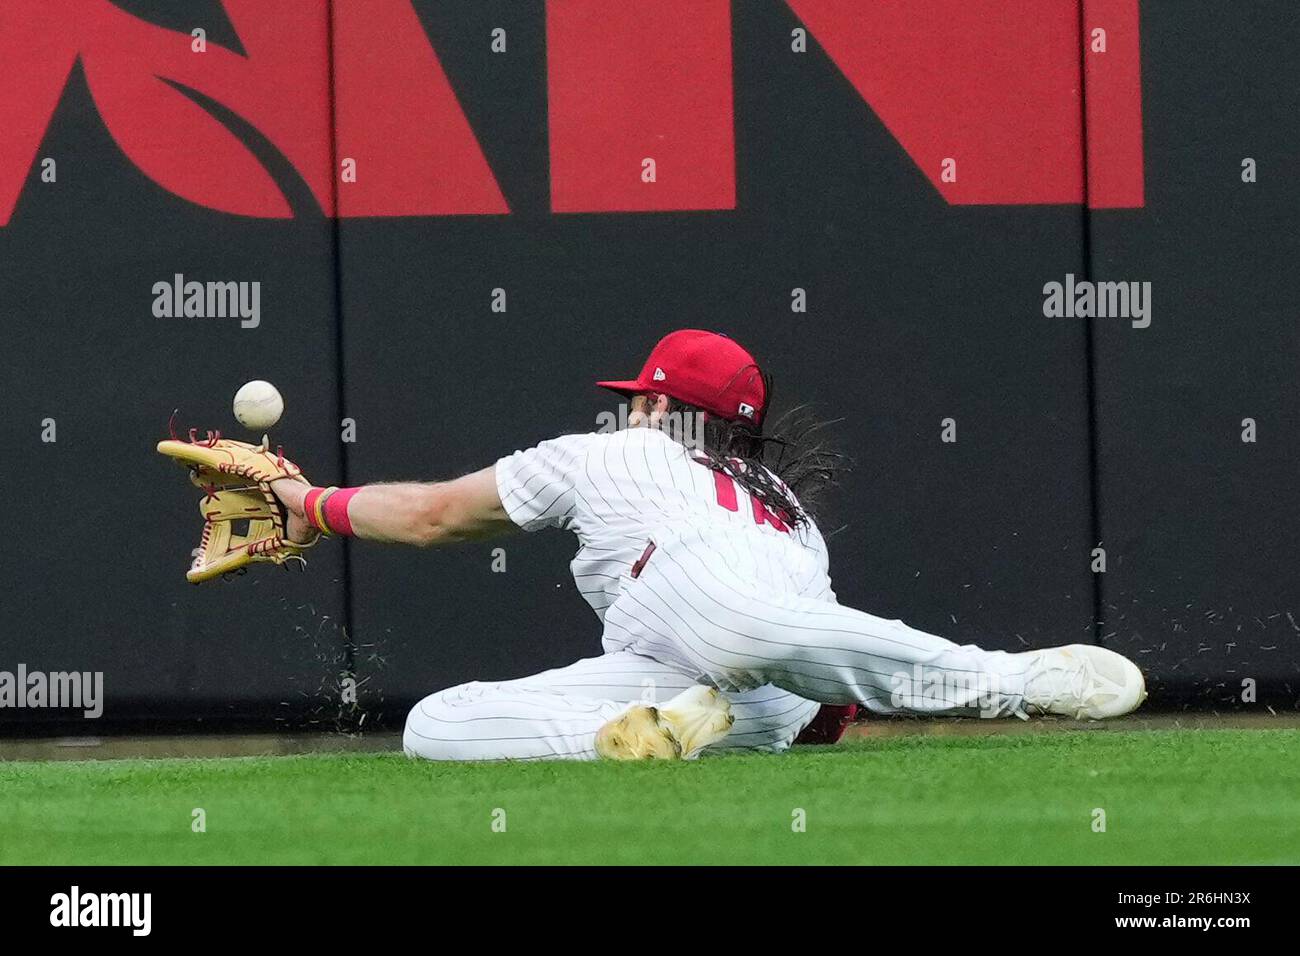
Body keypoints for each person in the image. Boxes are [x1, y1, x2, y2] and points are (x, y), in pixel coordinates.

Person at [270, 329, 1146, 761]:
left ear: (661, 409)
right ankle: (645, 737)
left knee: (753, 633)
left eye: (640, 395)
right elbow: (823, 679)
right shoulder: (788, 506)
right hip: (733, 689)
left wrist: (311, 500)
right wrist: (820, 706)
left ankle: (1014, 679)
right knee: (435, 726)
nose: (628, 407)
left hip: (703, 600)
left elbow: (432, 515)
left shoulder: (612, 451)